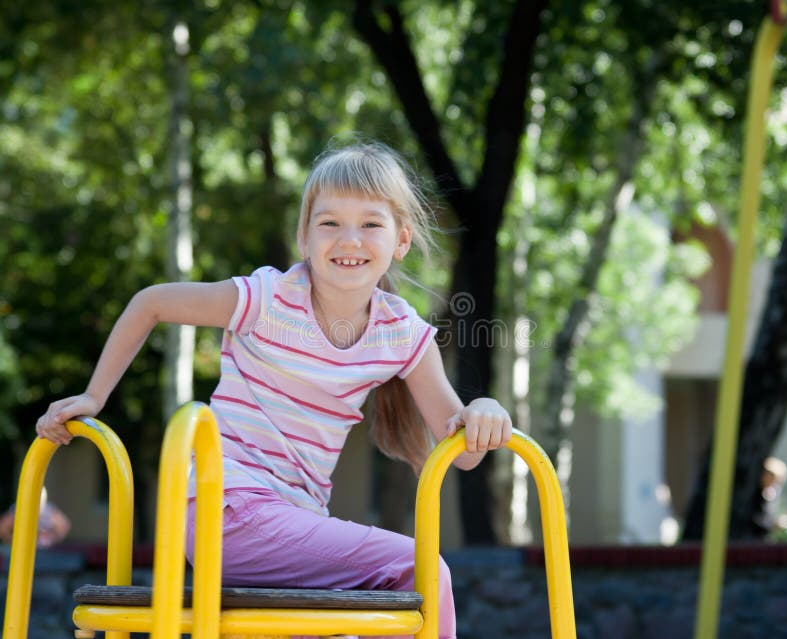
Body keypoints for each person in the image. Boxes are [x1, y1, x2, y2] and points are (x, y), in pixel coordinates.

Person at [35, 141, 512, 639]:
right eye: (330, 223)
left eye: (371, 224)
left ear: (401, 240)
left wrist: (484, 410)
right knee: (423, 569)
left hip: (292, 524)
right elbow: (151, 303)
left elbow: (460, 451)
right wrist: (94, 397)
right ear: (304, 237)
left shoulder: (402, 334)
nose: (350, 240)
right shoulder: (267, 300)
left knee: (351, 627)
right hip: (226, 507)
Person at [0, 487, 71, 548]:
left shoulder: (50, 512)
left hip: (45, 551)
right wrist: (14, 541)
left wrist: (51, 539)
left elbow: (64, 527)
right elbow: (3, 528)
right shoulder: (19, 510)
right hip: (24, 551)